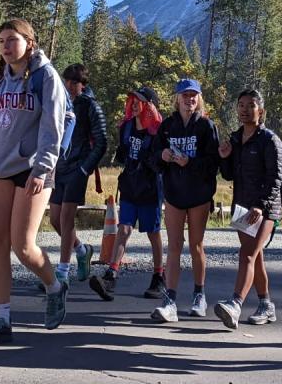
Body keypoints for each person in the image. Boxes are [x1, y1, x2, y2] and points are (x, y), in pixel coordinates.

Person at [0, 18, 69, 344]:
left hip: (32, 169)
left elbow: (53, 126)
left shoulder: (46, 77)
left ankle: (54, 286)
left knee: (23, 246)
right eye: (1, 41)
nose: (5, 46)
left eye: (12, 39)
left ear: (30, 42)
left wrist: (42, 168)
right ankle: (2, 321)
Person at [213, 89, 282, 330]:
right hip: (242, 206)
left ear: (260, 111)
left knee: (248, 254)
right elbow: (230, 174)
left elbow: (276, 178)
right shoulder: (235, 139)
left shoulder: (269, 140)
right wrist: (224, 157)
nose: (244, 109)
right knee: (255, 255)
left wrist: (261, 205)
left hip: (265, 208)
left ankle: (235, 303)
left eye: (250, 105)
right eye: (241, 104)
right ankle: (266, 305)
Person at [150, 79, 219, 323]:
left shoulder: (206, 126)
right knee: (174, 247)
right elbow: (153, 159)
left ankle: (199, 295)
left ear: (199, 98)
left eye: (194, 96)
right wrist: (163, 155)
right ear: (177, 98)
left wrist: (189, 163)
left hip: (199, 194)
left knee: (196, 245)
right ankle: (169, 300)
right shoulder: (168, 126)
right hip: (174, 194)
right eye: (185, 95)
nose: (189, 99)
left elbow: (213, 165)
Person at [89, 86, 166, 301]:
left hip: (150, 187)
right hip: (131, 184)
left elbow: (160, 161)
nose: (133, 103)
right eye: (133, 99)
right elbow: (123, 157)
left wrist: (148, 158)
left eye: (139, 100)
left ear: (149, 105)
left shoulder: (159, 130)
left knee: (153, 232)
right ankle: (111, 274)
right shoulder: (127, 127)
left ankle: (159, 276)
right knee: (123, 229)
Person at [49, 63, 107, 283]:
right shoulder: (60, 102)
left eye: (75, 82)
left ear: (83, 85)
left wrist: (84, 169)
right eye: (68, 81)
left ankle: (62, 273)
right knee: (55, 220)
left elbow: (102, 142)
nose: (70, 85)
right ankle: (83, 252)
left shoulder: (91, 106)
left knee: (66, 220)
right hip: (59, 168)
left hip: (77, 169)